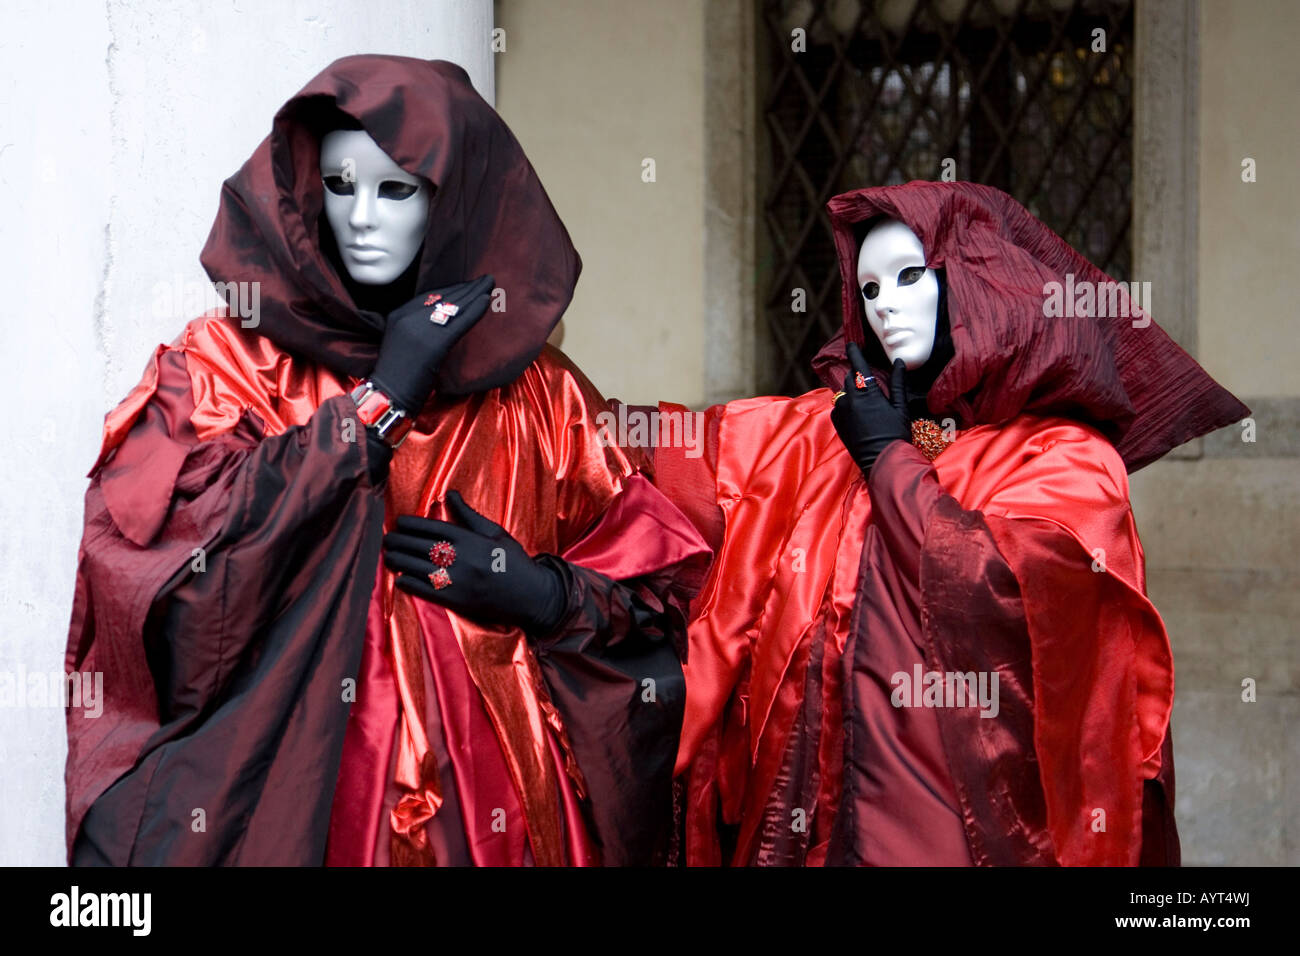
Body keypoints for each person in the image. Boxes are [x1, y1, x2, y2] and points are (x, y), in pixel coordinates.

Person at [64, 54, 709, 867]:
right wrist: (375, 408)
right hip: (308, 787)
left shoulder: (538, 393)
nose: (362, 217)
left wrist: (541, 592)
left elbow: (648, 597)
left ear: (452, 199)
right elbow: (164, 557)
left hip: (495, 799)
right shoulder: (231, 365)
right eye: (340, 186)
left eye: (396, 189)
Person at [651, 181, 1248, 866]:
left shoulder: (1064, 457)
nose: (886, 307)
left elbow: (999, 591)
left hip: (954, 836)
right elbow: (655, 456)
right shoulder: (829, 430)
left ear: (974, 285)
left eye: (910, 276)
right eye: (868, 290)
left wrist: (889, 464)